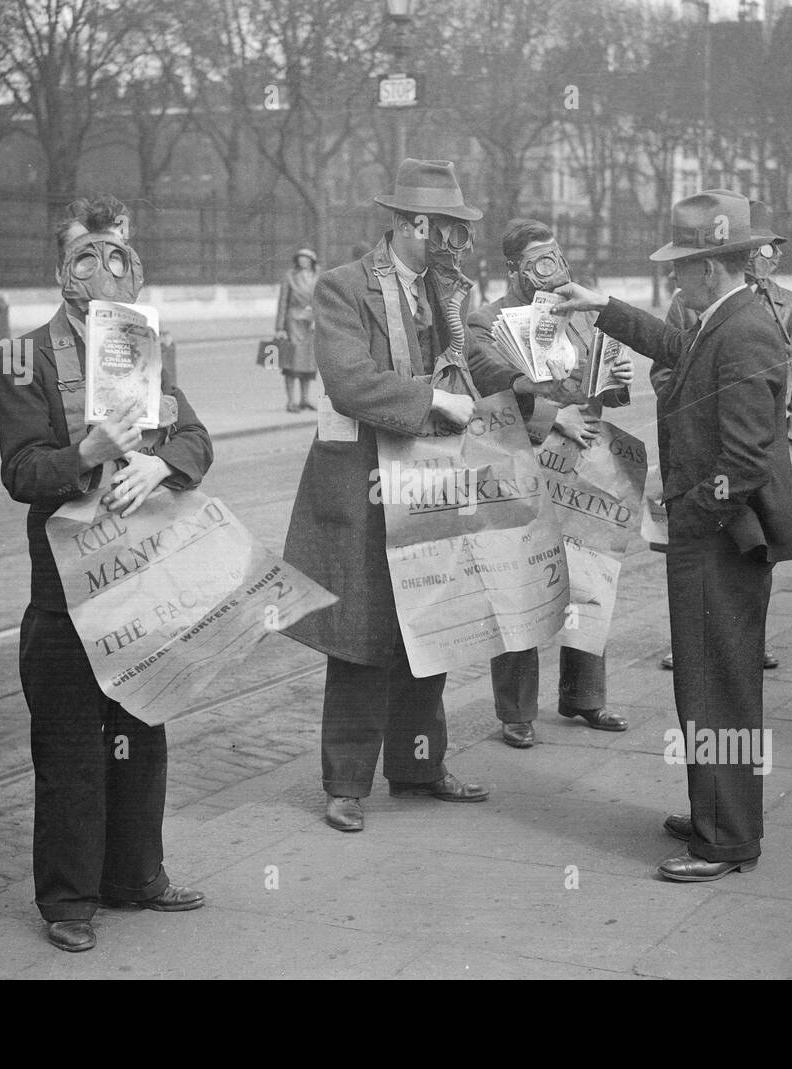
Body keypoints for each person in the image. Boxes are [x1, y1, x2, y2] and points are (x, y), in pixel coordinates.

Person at [555, 189, 792, 882]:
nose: (672, 278)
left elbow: (748, 460)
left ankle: (725, 838)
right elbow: (675, 348)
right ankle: (716, 812)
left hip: (720, 535)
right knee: (706, 678)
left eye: (680, 267)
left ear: (711, 267)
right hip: (713, 531)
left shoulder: (745, 328)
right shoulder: (727, 316)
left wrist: (681, 514)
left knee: (716, 682)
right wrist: (600, 306)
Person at [0, 194, 212, 952]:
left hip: (142, 580)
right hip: (64, 588)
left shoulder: (147, 345)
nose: (102, 267)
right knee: (70, 748)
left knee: (141, 729)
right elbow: (21, 469)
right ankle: (69, 900)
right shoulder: (27, 355)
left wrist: (157, 463)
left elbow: (194, 440)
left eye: (115, 253)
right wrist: (84, 456)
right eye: (86, 254)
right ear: (60, 268)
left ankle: (135, 875)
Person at [282, 159, 491, 833]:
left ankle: (419, 764)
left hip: (427, 481)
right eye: (447, 229)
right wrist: (439, 402)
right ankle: (345, 783)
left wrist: (538, 368)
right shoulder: (343, 288)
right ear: (410, 223)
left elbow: (481, 363)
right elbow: (350, 381)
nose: (456, 243)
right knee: (361, 637)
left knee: (427, 626)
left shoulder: (449, 292)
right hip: (363, 486)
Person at [465, 218, 634, 748]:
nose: (550, 269)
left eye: (554, 256)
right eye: (538, 261)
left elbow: (597, 388)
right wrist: (548, 415)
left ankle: (585, 697)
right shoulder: (483, 321)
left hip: (583, 460)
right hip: (520, 461)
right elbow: (487, 385)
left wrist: (617, 381)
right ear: (512, 269)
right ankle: (516, 711)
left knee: (591, 574)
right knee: (517, 581)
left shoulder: (576, 310)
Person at [655, 201, 792, 671]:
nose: (766, 261)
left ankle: (740, 643)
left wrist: (790, 447)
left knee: (748, 562)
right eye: (761, 250)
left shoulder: (776, 309)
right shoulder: (695, 305)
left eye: (771, 251)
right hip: (727, 461)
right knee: (722, 586)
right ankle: (720, 645)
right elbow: (671, 363)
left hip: (757, 460)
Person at [275, 248, 319, 412]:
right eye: (300, 258)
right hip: (292, 322)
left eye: (306, 258)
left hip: (310, 324)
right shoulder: (289, 276)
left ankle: (305, 399)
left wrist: (317, 319)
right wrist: (280, 327)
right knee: (290, 363)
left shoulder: (317, 277)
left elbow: (321, 301)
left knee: (308, 363)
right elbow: (282, 302)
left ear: (312, 261)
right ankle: (291, 401)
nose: (303, 261)